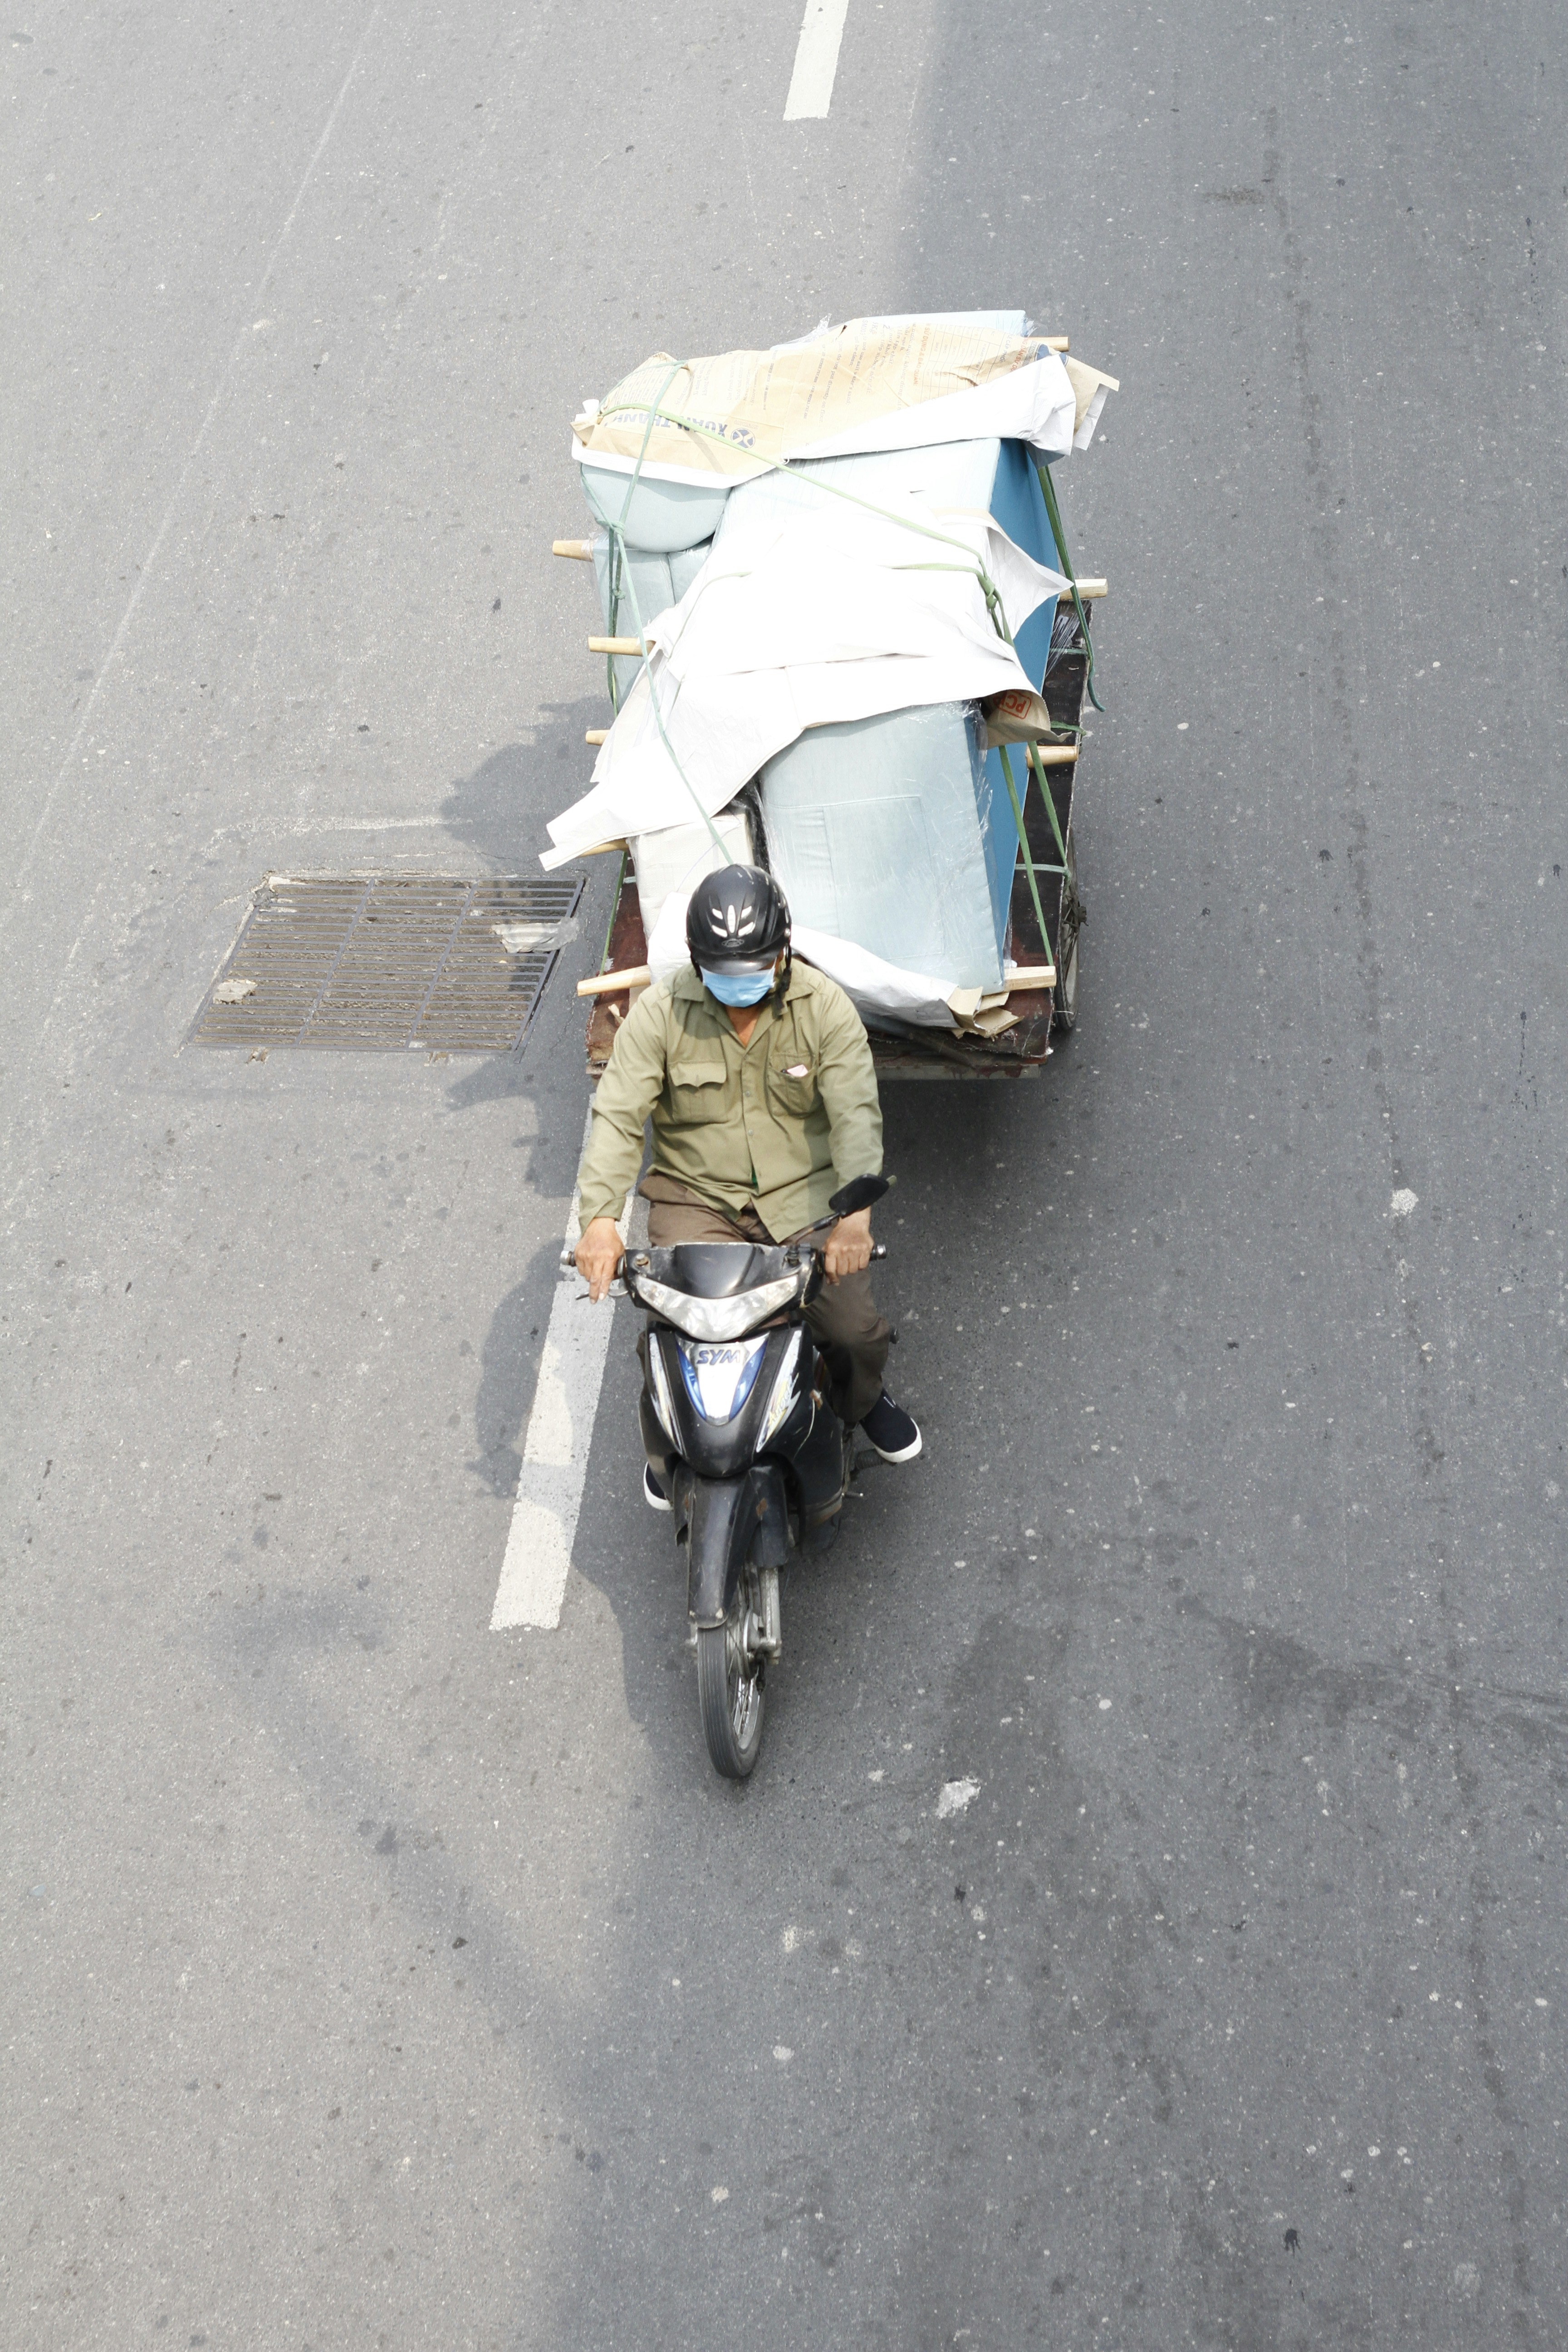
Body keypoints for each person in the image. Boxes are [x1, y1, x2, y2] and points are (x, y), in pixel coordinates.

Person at [573, 862, 921, 1503]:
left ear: (783, 953)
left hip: (809, 1201)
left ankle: (861, 1399)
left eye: (754, 969)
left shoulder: (824, 1009)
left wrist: (855, 1218)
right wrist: (599, 1220)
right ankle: (672, 1439)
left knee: (849, 1331)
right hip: (696, 1200)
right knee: (675, 1331)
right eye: (723, 974)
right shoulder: (660, 1014)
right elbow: (618, 1114)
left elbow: (855, 1115)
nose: (740, 985)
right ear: (699, 965)